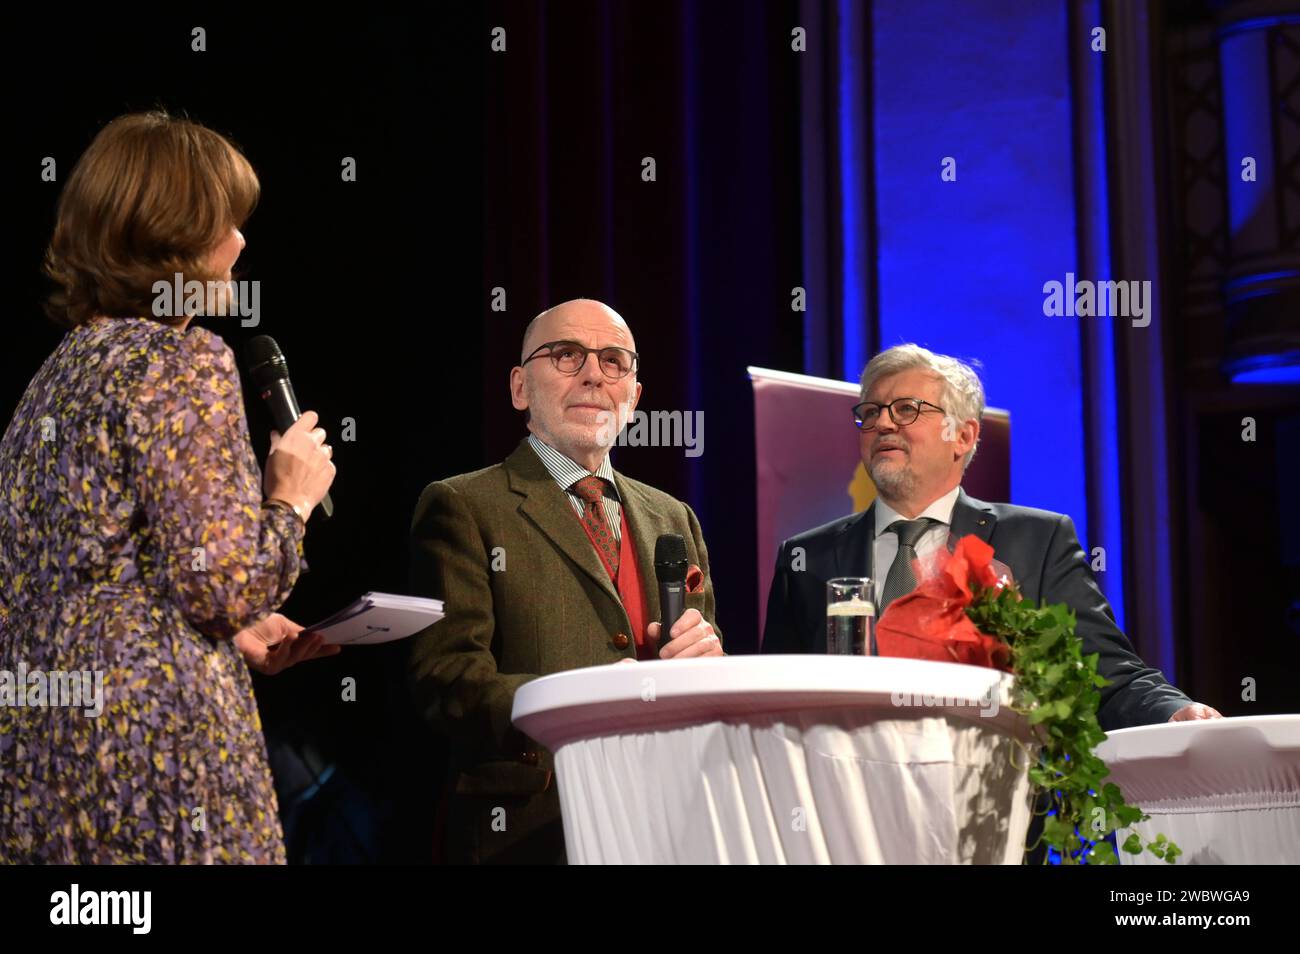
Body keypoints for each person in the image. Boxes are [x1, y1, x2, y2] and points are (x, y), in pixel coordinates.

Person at [0, 111, 338, 864]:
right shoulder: (184, 362)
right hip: (160, 752)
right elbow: (222, 584)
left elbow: (91, 575)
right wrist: (289, 498)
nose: (241, 242)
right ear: (175, 232)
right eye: (226, 220)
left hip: (50, 758)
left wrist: (235, 631)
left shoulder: (51, 381)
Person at [409, 298, 723, 863]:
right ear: (519, 388)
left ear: (635, 398)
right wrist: (583, 701)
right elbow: (447, 682)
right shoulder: (462, 505)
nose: (593, 375)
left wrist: (707, 666)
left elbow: (700, 666)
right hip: (535, 830)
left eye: (613, 361)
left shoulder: (673, 516)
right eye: (566, 355)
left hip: (667, 822)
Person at [762, 343, 1221, 730]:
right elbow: (775, 698)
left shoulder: (1036, 541)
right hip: (846, 813)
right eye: (870, 412)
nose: (882, 423)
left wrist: (1172, 711)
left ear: (962, 435)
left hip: (991, 810)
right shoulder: (807, 556)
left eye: (906, 410)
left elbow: (1102, 668)